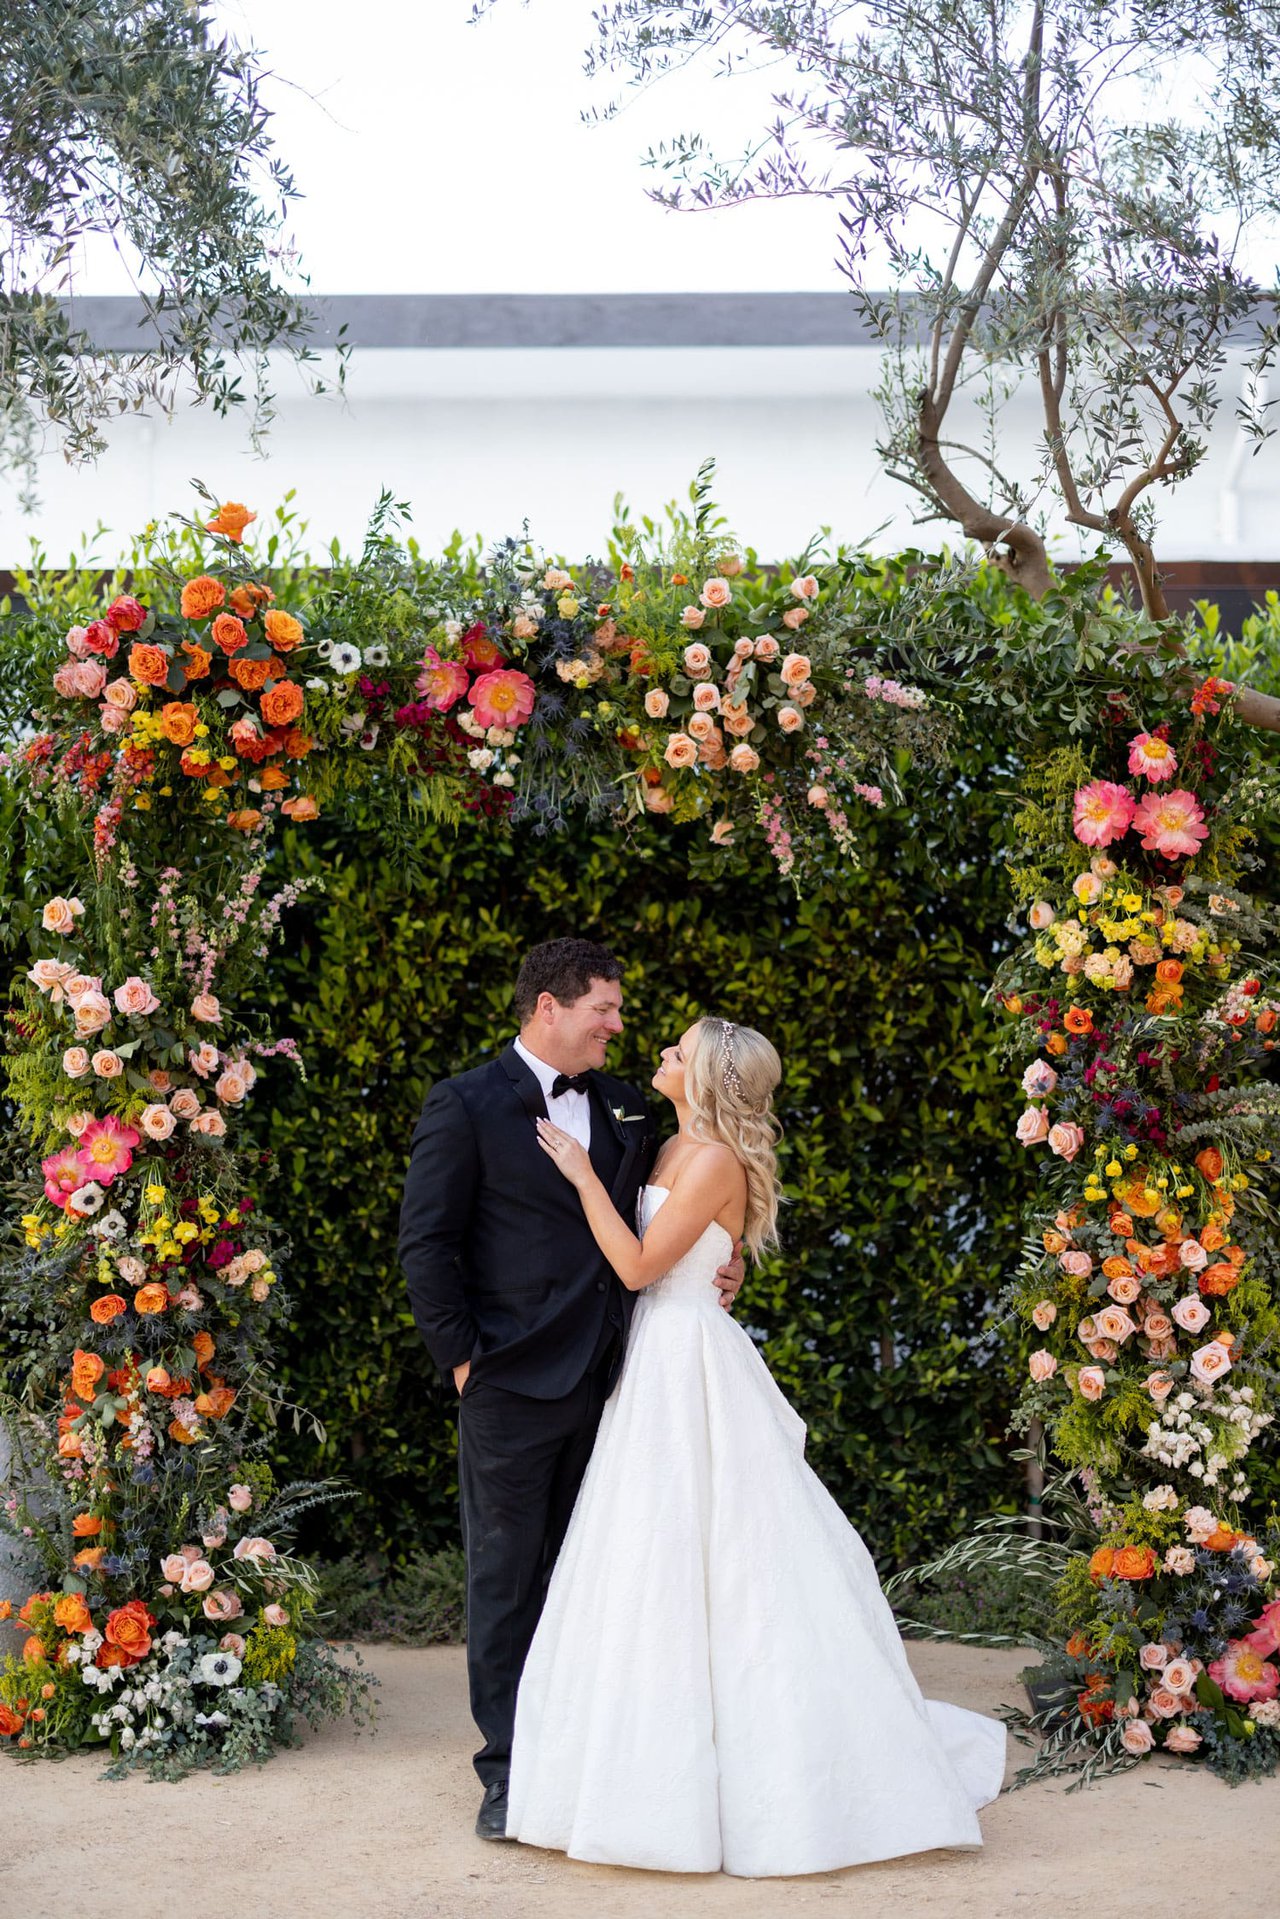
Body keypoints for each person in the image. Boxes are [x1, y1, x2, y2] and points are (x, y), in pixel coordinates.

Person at [507, 1015, 1006, 1878]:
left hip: (688, 1361)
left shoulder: (709, 1161)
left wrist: (583, 1175)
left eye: (677, 1050)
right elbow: (689, 1254)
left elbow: (635, 1266)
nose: (660, 1054)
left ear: (704, 1074)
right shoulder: (668, 1145)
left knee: (724, 1552)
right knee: (648, 1555)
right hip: (660, 1358)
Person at [397, 939, 744, 1840]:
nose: (619, 1025)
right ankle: (508, 1771)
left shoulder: (631, 1106)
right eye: (606, 1008)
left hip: (620, 1384)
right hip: (509, 1386)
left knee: (597, 1578)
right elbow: (426, 1246)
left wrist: (724, 1258)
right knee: (506, 1580)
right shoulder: (466, 1103)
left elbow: (666, 1217)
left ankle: (589, 1752)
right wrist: (466, 1361)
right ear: (550, 1007)